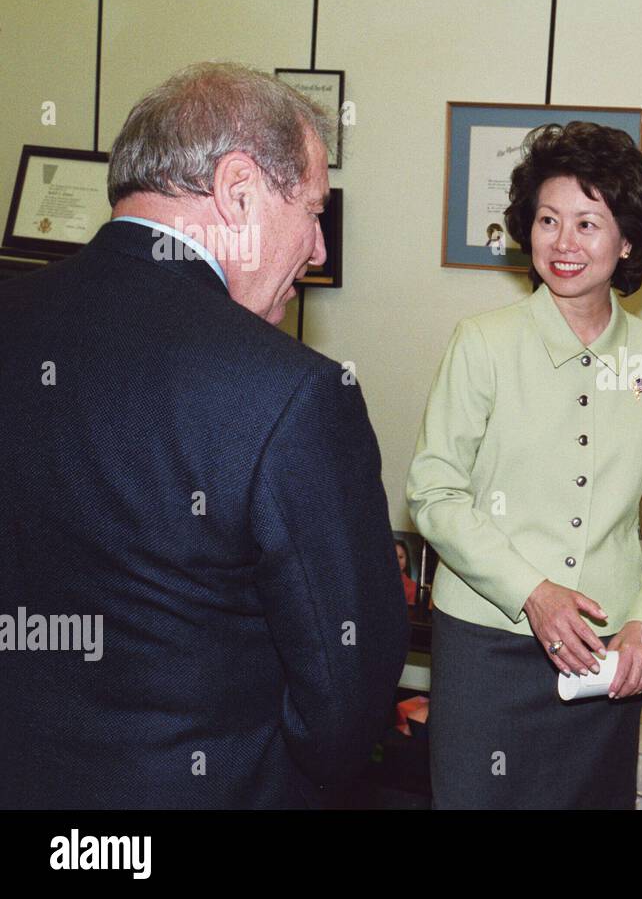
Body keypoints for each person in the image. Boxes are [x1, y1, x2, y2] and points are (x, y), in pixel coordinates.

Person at [0, 63, 409, 808]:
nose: (318, 250)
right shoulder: (294, 396)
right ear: (239, 188)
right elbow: (347, 687)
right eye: (314, 211)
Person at [408, 121, 642, 809]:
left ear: (628, 240)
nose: (564, 243)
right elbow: (433, 490)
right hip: (488, 645)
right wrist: (532, 592)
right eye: (548, 220)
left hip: (608, 658)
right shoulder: (481, 344)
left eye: (587, 222)